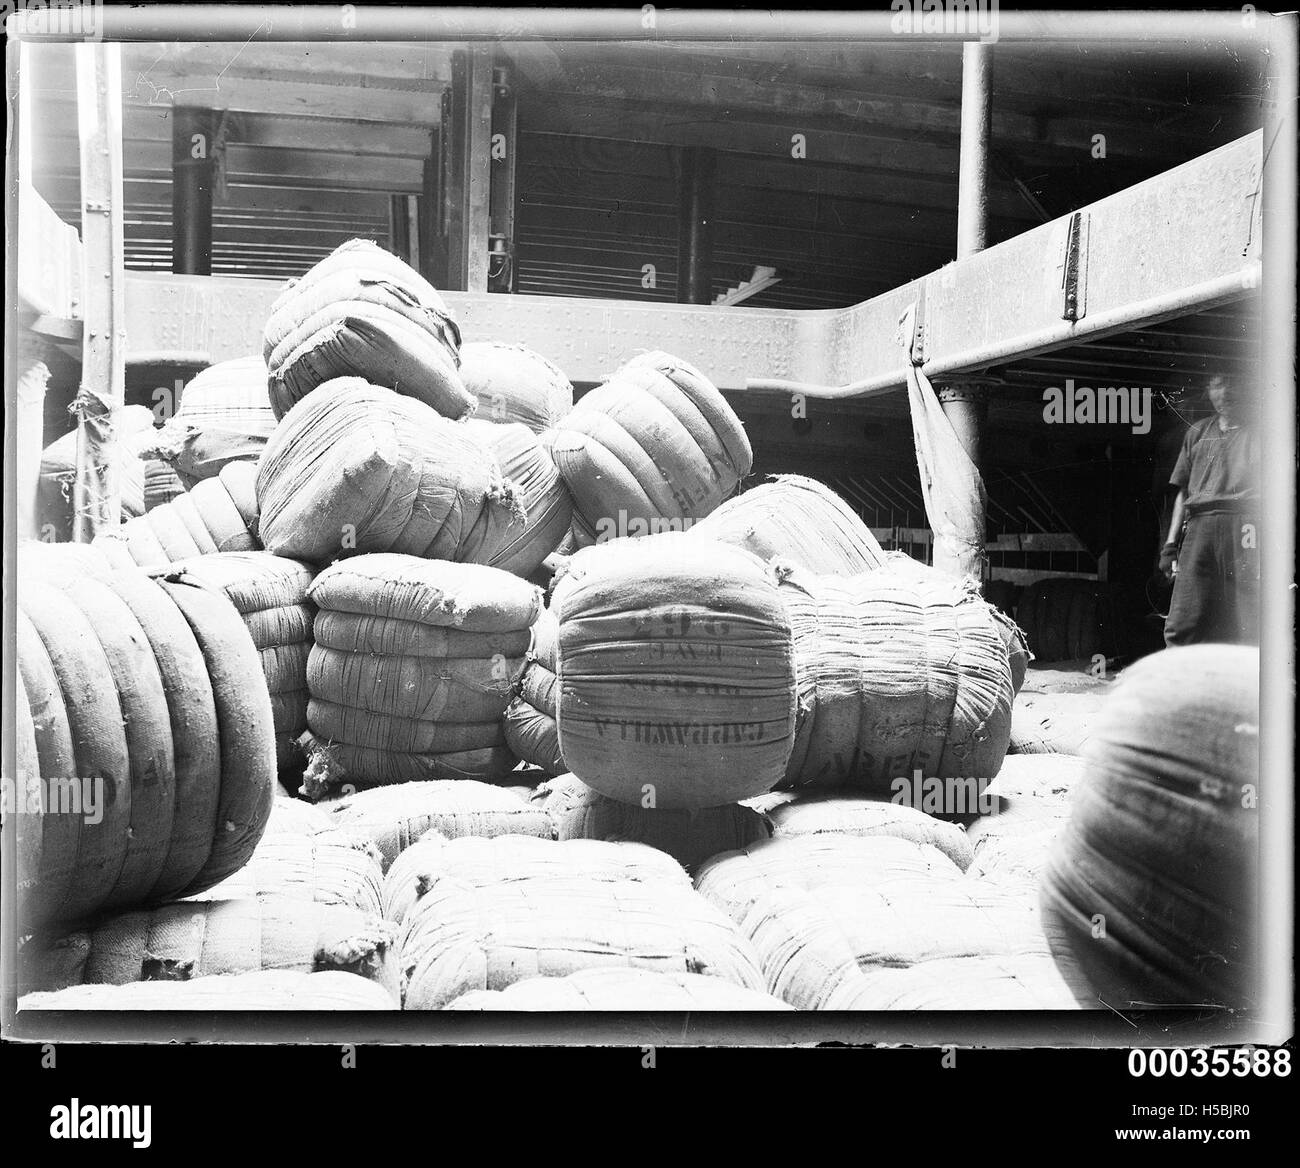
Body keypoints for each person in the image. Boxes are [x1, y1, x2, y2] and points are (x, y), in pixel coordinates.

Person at [1160, 371, 1260, 645]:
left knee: (1250, 610)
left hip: (1246, 525)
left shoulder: (1260, 433)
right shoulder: (1197, 432)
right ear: (1208, 390)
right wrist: (1170, 546)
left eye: (1233, 383)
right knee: (1183, 614)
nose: (1225, 393)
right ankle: (1180, 680)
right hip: (1200, 526)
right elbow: (1182, 491)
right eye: (1217, 384)